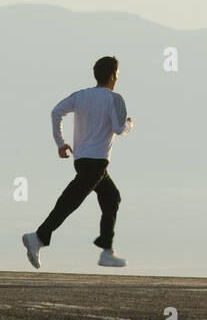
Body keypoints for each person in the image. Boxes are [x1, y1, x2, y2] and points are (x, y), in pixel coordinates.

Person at [23, 56, 133, 269]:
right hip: (97, 163)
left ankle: (106, 249)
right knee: (70, 201)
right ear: (112, 76)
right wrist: (130, 124)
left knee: (111, 197)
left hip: (82, 160)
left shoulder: (80, 96)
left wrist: (60, 143)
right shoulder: (115, 99)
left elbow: (56, 112)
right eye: (117, 74)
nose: (117, 78)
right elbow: (120, 129)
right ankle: (38, 236)